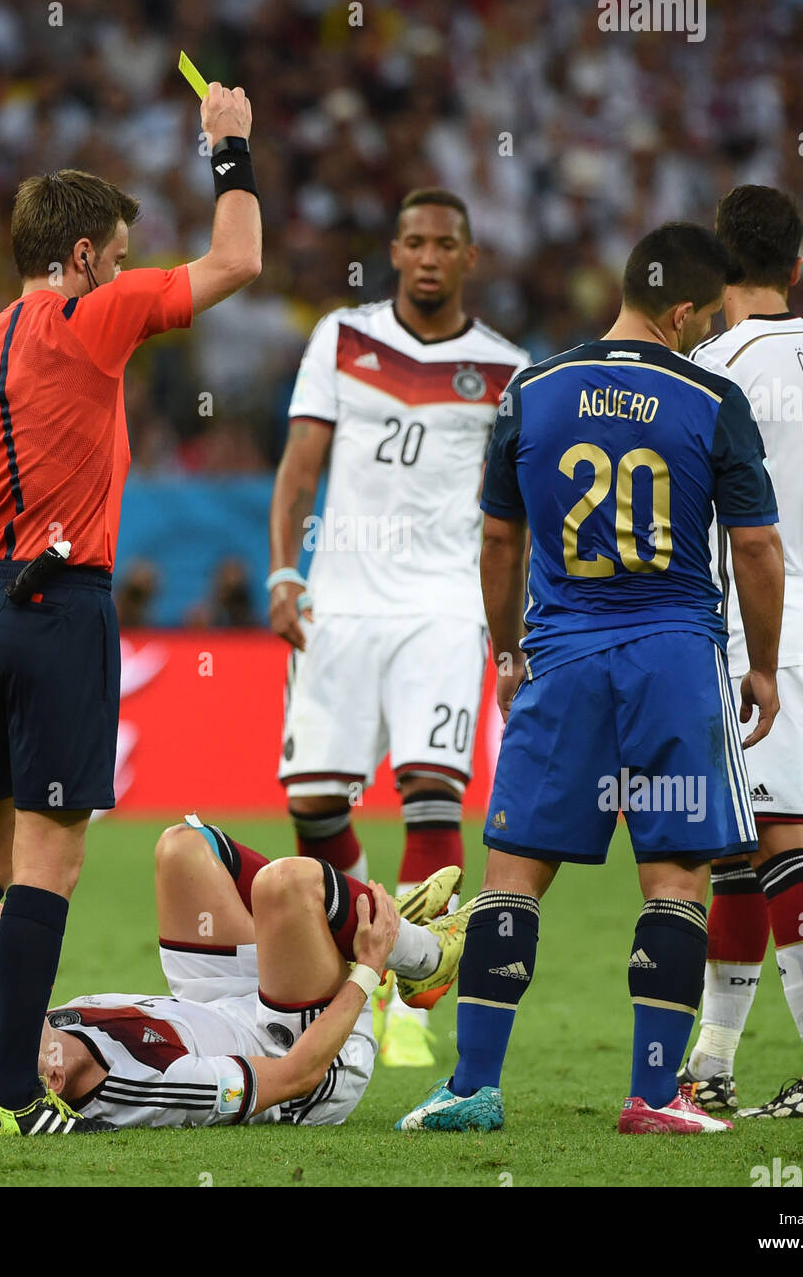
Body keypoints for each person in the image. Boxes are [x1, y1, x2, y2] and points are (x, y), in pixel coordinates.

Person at [0, 82, 262, 1137]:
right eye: (121, 252)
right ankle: (11, 1096)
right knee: (54, 859)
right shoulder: (92, 316)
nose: (130, 270)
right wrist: (227, 150)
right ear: (82, 254)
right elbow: (237, 264)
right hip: (58, 607)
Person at [398, 222, 785, 1135]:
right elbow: (760, 548)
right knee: (675, 884)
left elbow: (499, 538)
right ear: (681, 309)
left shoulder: (529, 390)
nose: (703, 335)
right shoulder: (712, 396)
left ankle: (470, 1089)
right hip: (675, 667)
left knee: (511, 879)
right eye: (700, 319)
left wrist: (505, 653)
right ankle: (653, 1095)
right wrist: (763, 664)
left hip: (561, 661)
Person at [268, 188, 528, 1068]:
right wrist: (284, 570)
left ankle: (414, 1000)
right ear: (394, 249)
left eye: (443, 244)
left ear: (468, 257)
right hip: (339, 599)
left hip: (444, 608)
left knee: (430, 788)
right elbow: (299, 469)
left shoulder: (508, 369)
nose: (426, 256)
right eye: (412, 240)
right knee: (313, 804)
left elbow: (513, 521)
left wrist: (509, 631)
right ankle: (365, 949)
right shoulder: (342, 337)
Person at [681, 186, 803, 1120]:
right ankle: (710, 1064)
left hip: (753, 632)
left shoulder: (713, 367)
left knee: (778, 841)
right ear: (798, 268)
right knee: (742, 852)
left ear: (719, 269)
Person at [0, 818, 471, 1131]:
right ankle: (422, 955)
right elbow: (298, 1075)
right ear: (53, 1079)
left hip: (214, 1002)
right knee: (285, 884)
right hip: (300, 1052)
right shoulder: (149, 1088)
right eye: (6, 1039)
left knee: (182, 845)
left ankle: (378, 924)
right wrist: (367, 969)